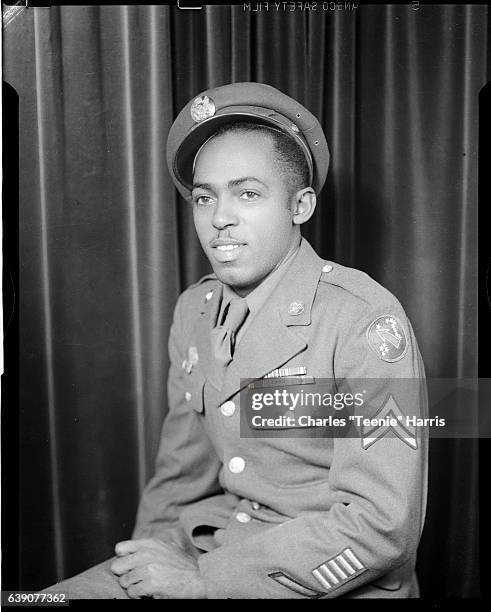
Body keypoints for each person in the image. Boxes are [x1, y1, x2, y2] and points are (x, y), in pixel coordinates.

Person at [42, 82, 428, 599]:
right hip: (215, 542)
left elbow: (384, 526)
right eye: (205, 197)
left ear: (301, 205)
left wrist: (206, 583)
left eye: (247, 193)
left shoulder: (362, 319)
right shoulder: (195, 313)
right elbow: (179, 478)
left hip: (316, 576)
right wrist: (144, 568)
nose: (219, 218)